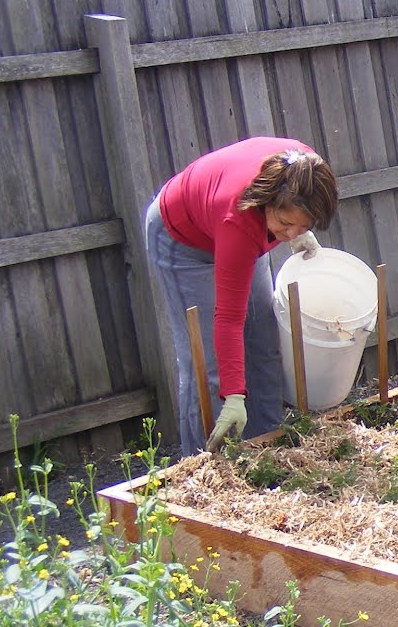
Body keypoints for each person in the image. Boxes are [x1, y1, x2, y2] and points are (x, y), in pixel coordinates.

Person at [144, 138, 338, 454]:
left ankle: (268, 450)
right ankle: (202, 464)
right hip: (183, 240)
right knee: (207, 365)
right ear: (267, 202)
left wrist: (295, 228)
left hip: (234, 227)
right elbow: (229, 319)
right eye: (286, 224)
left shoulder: (309, 175)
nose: (292, 233)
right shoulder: (240, 222)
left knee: (263, 341)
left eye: (303, 225)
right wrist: (234, 396)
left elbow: (287, 218)